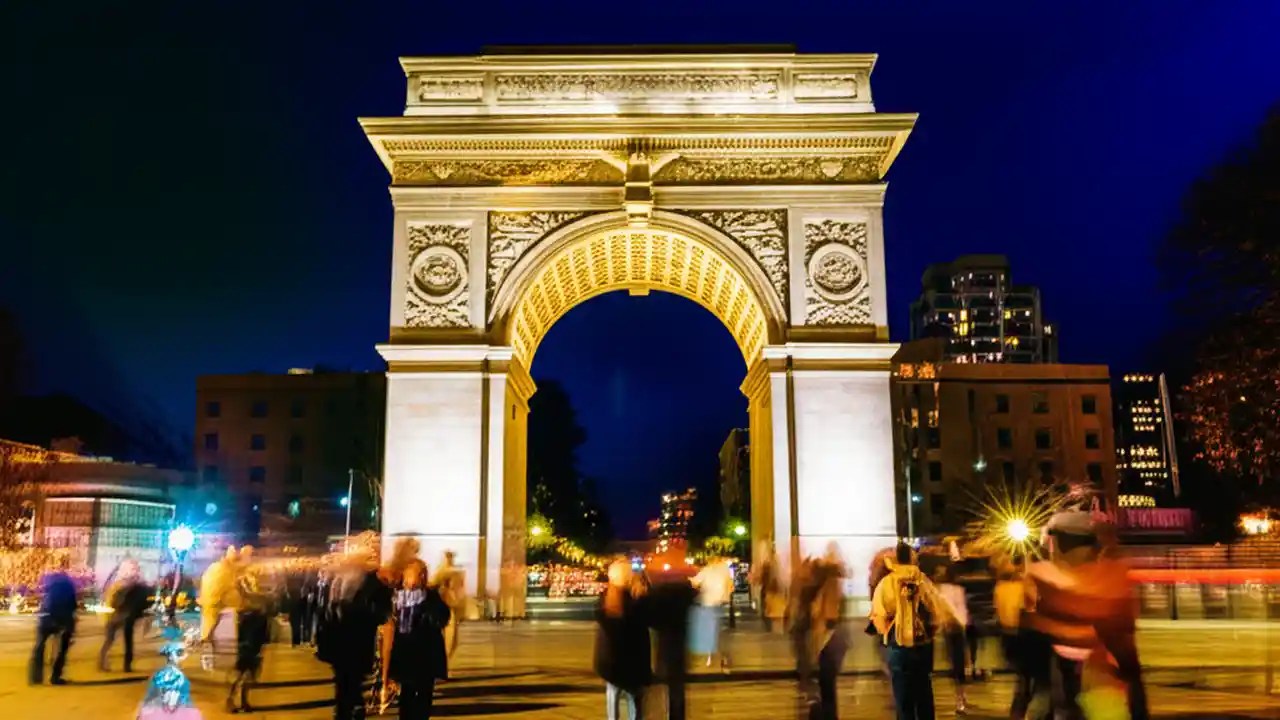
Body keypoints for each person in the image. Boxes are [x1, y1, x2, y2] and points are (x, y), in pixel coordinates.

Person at [1023, 511, 1149, 720]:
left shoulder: (1052, 582)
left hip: (1098, 688)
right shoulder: (1111, 577)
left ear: (1058, 543)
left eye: (1050, 543)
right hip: (1098, 687)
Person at [871, 542, 955, 720]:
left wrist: (887, 630)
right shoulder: (922, 580)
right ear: (911, 558)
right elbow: (937, 609)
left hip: (897, 645)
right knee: (923, 695)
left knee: (903, 700)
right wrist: (932, 631)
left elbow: (878, 614)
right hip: (920, 645)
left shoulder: (886, 583)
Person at [317, 550, 393, 720]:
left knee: (352, 682)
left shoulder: (375, 584)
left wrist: (356, 610)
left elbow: (382, 614)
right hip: (336, 640)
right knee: (342, 682)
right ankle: (345, 712)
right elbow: (325, 609)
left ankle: (353, 711)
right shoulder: (336, 578)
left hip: (359, 640)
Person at [388, 559, 451, 719]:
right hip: (404, 654)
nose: (420, 577)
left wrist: (429, 607)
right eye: (416, 573)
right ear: (405, 576)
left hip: (425, 657)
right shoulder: (396, 598)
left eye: (423, 574)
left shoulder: (431, 597)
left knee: (424, 699)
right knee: (406, 698)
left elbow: (442, 619)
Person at [594, 560, 651, 720]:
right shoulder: (637, 601)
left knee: (613, 699)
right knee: (635, 703)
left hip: (611, 663)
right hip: (634, 662)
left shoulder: (605, 601)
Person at [638, 573, 697, 720]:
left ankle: (660, 713)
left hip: (664, 646)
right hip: (679, 646)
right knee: (677, 687)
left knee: (661, 686)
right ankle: (677, 715)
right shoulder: (684, 600)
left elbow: (647, 616)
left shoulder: (659, 601)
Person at [29, 556, 78, 685]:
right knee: (62, 647)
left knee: (39, 646)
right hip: (62, 618)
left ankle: (35, 677)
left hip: (45, 616)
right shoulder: (68, 582)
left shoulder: (46, 579)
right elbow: (72, 603)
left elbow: (40, 595)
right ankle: (55, 676)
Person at [99, 558, 152, 673]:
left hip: (116, 615)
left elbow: (112, 600)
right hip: (126, 616)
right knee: (126, 641)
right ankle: (126, 665)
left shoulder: (119, 586)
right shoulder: (138, 587)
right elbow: (145, 602)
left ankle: (103, 662)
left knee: (110, 639)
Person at [227, 581, 272, 714]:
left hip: (250, 649)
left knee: (245, 677)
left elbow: (261, 636)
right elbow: (260, 636)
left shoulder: (253, 617)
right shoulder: (253, 617)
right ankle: (234, 700)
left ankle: (242, 701)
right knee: (242, 676)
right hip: (249, 649)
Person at [934, 565, 970, 715]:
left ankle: (960, 697)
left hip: (952, 629)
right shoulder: (954, 590)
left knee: (956, 666)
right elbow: (961, 610)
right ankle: (961, 696)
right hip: (955, 629)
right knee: (958, 665)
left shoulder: (941, 590)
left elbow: (945, 610)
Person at [690, 557, 733, 671]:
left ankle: (710, 657)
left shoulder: (706, 571)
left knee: (710, 631)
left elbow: (694, 582)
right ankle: (724, 658)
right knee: (722, 633)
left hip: (709, 605)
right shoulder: (724, 570)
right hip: (722, 604)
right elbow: (729, 585)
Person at [431, 550, 466, 664]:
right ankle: (442, 661)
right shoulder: (443, 572)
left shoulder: (450, 572)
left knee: (451, 636)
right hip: (444, 605)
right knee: (447, 636)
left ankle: (444, 661)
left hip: (450, 605)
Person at [750, 542, 786, 633]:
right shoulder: (773, 562)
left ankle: (775, 632)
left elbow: (758, 579)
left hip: (771, 591)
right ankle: (775, 632)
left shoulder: (770, 564)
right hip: (771, 590)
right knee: (773, 614)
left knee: (773, 613)